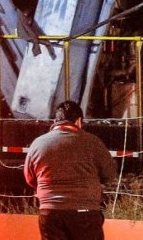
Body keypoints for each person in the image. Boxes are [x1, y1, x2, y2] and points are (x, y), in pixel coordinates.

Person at [22, 100, 117, 240]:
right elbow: (109, 174)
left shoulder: (38, 144)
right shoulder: (92, 142)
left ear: (55, 121)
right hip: (85, 212)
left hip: (50, 213)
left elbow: (29, 178)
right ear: (78, 121)